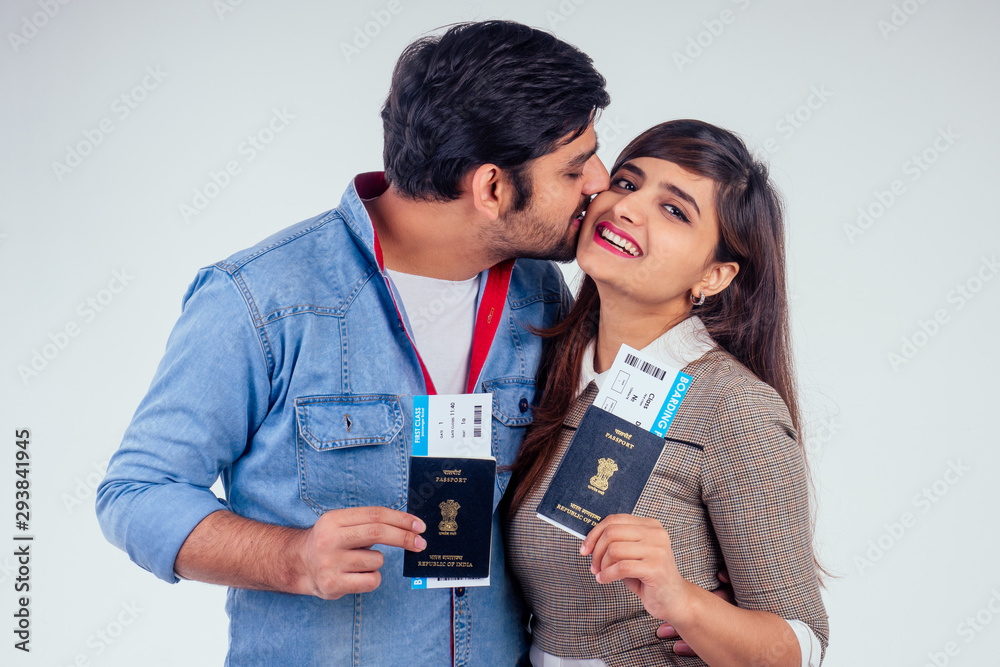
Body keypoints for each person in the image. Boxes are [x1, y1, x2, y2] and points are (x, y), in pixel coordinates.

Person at [96, 21, 611, 665]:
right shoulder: (258, 299)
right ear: (491, 188)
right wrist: (293, 559)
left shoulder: (540, 290)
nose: (600, 179)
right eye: (574, 166)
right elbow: (137, 492)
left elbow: (566, 480)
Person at [504, 119, 829, 666]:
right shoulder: (546, 374)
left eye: (674, 210)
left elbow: (802, 649)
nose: (627, 209)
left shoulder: (732, 406)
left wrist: (683, 601)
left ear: (716, 276)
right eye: (627, 184)